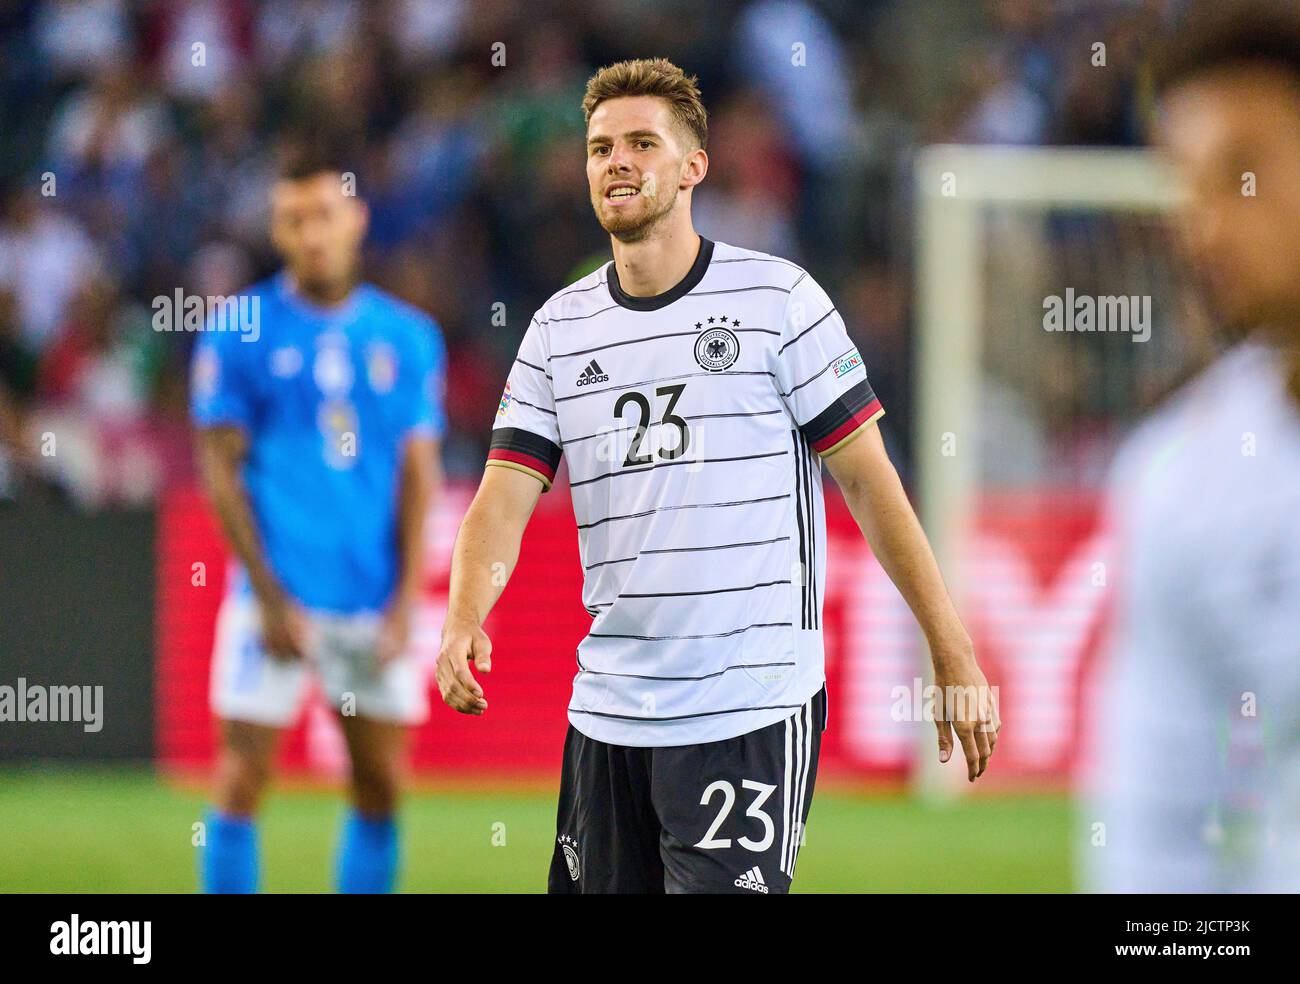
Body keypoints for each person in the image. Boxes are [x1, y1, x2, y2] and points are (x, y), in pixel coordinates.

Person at [436, 59, 997, 894]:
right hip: (608, 715)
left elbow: (871, 484)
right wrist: (463, 615)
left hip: (748, 706)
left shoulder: (779, 301)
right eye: (599, 148)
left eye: (639, 143)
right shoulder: (560, 327)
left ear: (693, 166)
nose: (615, 162)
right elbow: (502, 497)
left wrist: (950, 648)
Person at [1085, 0, 1300, 892]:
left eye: (1243, 172)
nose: (1204, 225)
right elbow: (1157, 852)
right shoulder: (1181, 484)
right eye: (1189, 183)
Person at [190, 144, 446, 893]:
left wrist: (407, 602)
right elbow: (218, 467)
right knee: (241, 774)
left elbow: (419, 473)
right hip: (272, 599)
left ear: (357, 220)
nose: (310, 234)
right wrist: (266, 596)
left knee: (380, 785)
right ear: (275, 228)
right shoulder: (241, 329)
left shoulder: (407, 337)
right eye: (292, 218)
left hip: (370, 597)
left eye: (323, 215)